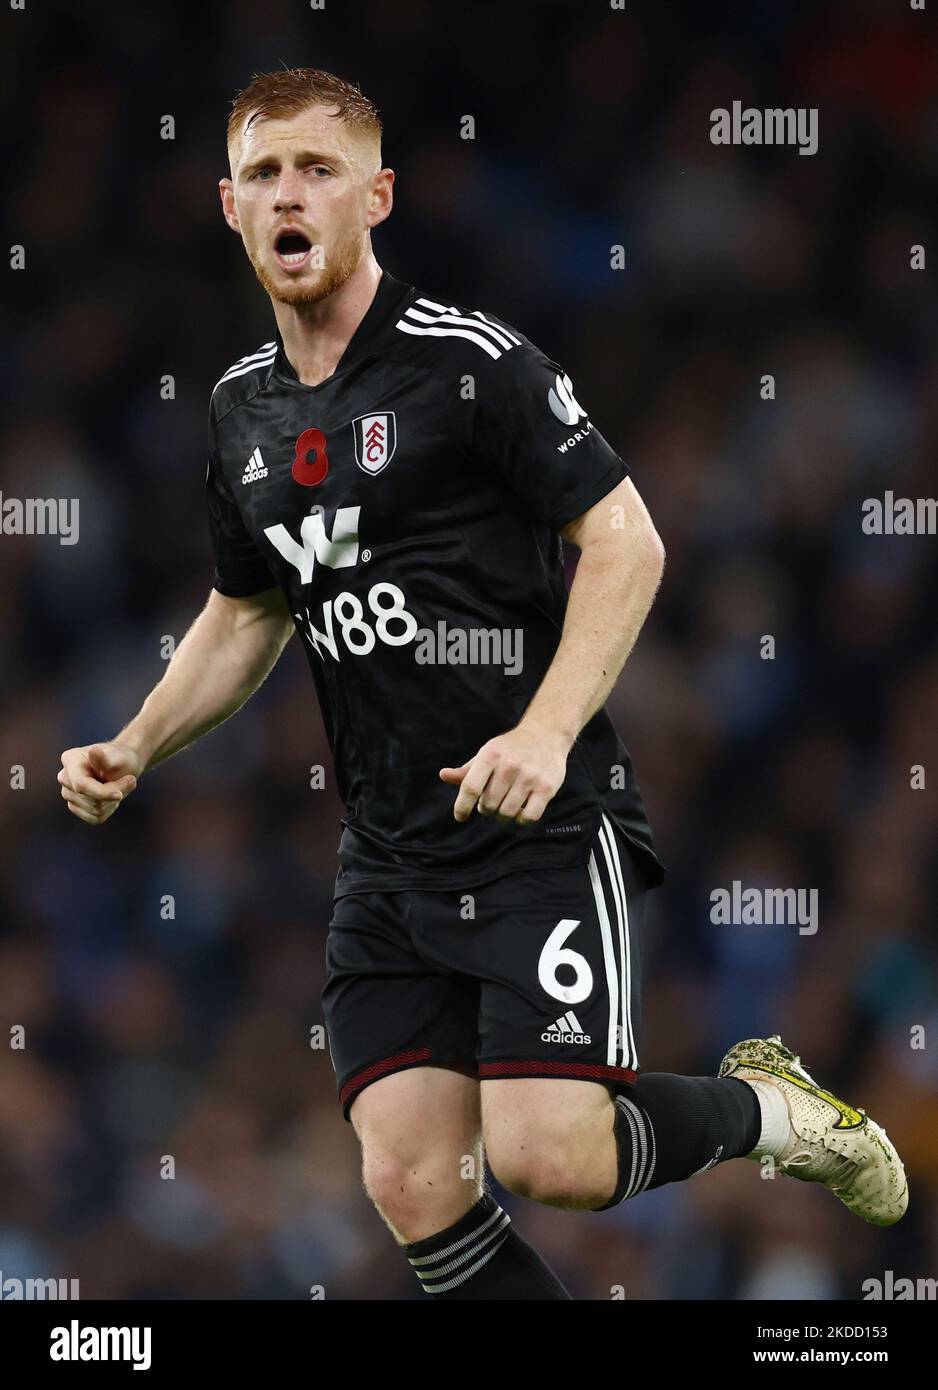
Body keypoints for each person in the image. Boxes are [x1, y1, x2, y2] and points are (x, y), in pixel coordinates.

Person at [58, 67, 907, 1300]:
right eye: (262, 173)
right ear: (228, 208)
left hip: (535, 828)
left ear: (376, 196)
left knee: (547, 1156)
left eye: (318, 169)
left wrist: (546, 733)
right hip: (390, 849)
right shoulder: (242, 412)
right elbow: (250, 609)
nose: (288, 194)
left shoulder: (470, 366)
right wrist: (137, 742)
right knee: (408, 1177)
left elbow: (626, 541)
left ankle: (769, 1113)